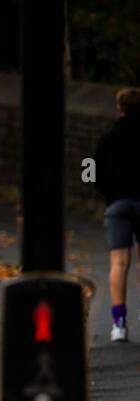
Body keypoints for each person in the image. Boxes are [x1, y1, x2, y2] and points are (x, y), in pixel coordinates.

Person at [94, 87, 140, 343]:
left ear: (120, 108)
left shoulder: (107, 138)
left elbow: (95, 176)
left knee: (119, 264)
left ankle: (119, 324)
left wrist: (109, 194)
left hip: (117, 204)